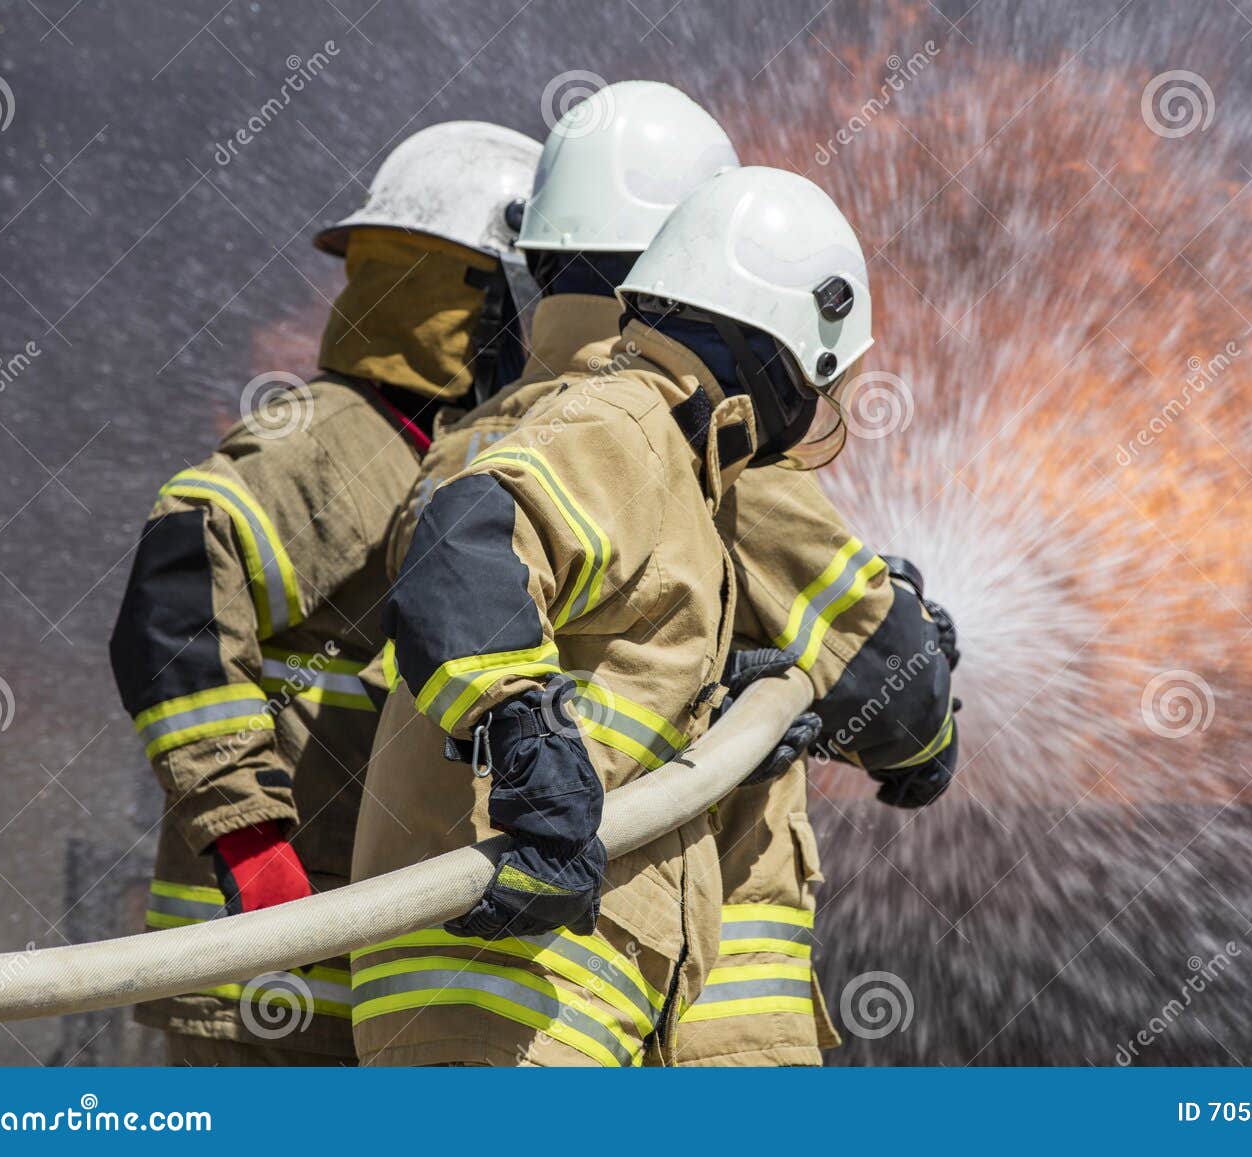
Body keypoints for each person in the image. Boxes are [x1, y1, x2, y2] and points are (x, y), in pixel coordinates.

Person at [361, 84, 960, 1067]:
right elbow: (466, 548)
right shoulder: (637, 431)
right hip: (532, 982)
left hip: (572, 971)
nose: (796, 424)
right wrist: (531, 745)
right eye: (804, 387)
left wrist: (727, 696)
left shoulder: (523, 422)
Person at [107, 121, 539, 1065]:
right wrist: (251, 842)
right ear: (487, 297)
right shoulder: (341, 441)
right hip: (278, 976)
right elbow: (179, 580)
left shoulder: (427, 454)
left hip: (338, 972)